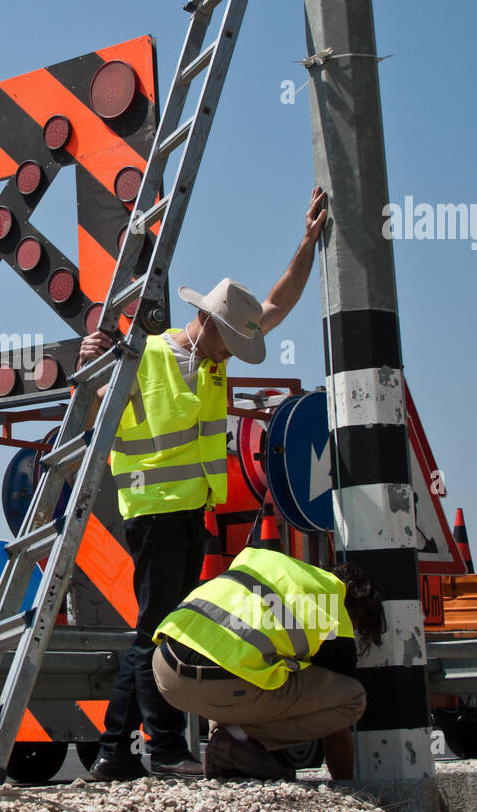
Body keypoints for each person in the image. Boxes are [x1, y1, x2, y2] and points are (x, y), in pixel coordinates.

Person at [78, 187, 328, 780]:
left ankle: (115, 753)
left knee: (157, 626)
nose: (236, 353)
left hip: (189, 513)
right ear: (209, 322)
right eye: (233, 340)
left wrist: (308, 243)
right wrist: (90, 371)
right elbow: (92, 421)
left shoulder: (214, 358)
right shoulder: (146, 357)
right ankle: (162, 745)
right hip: (152, 511)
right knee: (159, 628)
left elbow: (275, 304)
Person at [150, 551, 381, 780]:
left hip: (165, 668)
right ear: (357, 611)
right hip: (219, 683)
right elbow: (337, 730)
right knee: (352, 698)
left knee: (243, 661)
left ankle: (228, 749)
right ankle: (233, 742)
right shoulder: (331, 607)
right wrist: (346, 785)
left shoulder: (265, 561)